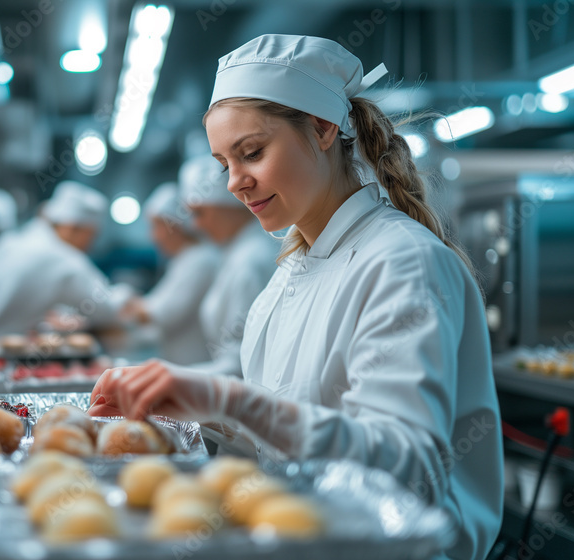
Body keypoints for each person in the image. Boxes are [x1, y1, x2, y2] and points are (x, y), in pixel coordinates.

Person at [89, 34, 502, 560]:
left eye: (252, 152)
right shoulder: (293, 268)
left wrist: (227, 400)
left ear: (324, 127)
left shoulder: (403, 262)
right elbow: (286, 427)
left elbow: (407, 470)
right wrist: (193, 402)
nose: (236, 183)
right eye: (224, 163)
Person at [0, 181, 131, 335]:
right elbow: (107, 308)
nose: (90, 245)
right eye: (90, 236)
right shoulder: (62, 258)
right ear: (72, 227)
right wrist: (127, 297)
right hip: (1, 355)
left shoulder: (10, 241)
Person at [178, 154, 279, 377]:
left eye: (199, 213)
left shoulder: (250, 262)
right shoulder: (236, 253)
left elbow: (242, 364)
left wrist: (175, 379)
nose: (195, 225)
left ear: (228, 205)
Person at [123, 182, 219, 364]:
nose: (153, 236)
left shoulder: (200, 260)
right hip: (181, 360)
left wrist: (117, 302)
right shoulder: (183, 259)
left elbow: (163, 312)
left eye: (156, 227)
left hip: (196, 362)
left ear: (175, 225)